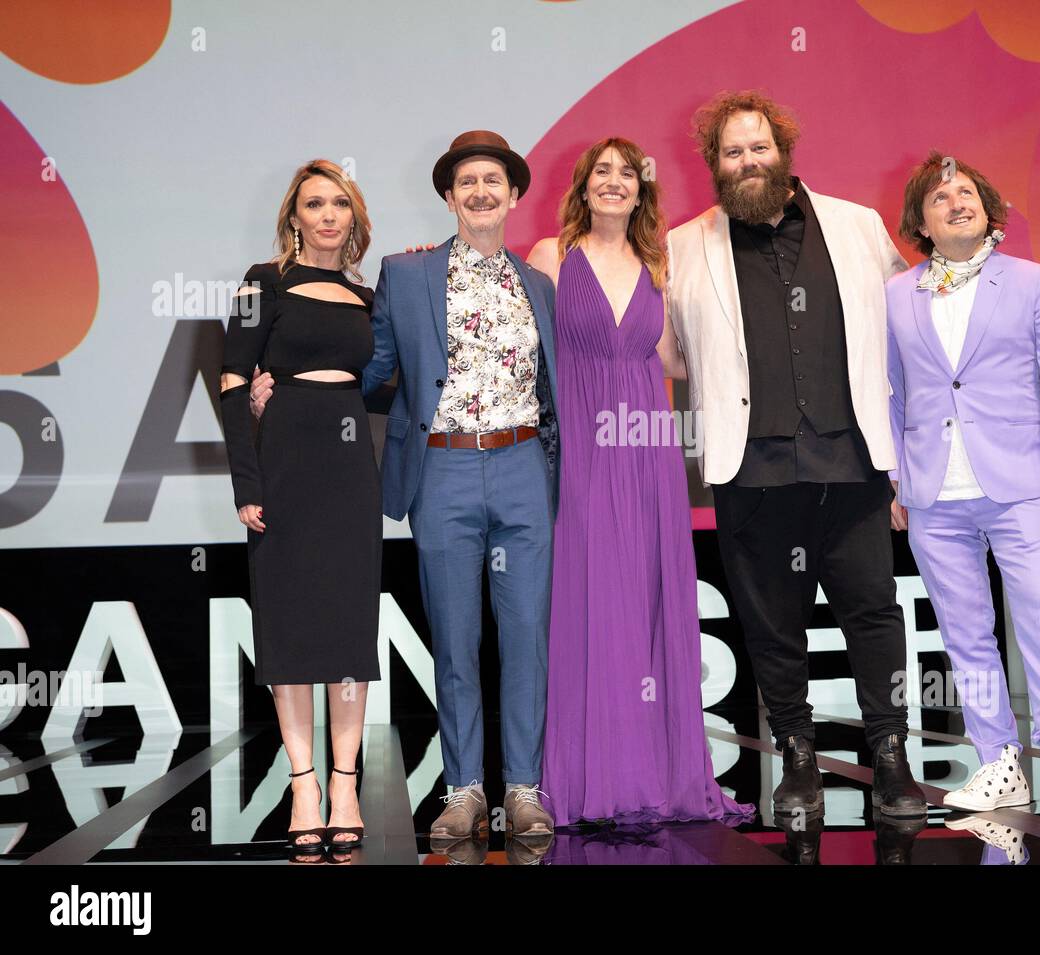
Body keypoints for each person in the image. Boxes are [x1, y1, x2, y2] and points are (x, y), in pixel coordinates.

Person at [255, 131, 560, 841]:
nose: (481, 191)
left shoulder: (539, 286)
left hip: (522, 468)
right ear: (450, 198)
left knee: (525, 637)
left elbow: (554, 391)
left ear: (514, 194)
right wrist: (292, 392)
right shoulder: (407, 274)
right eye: (467, 182)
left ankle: (522, 787)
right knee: (453, 641)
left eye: (494, 180)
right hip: (444, 470)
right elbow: (371, 368)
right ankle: (463, 791)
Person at [666, 90, 926, 818]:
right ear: (714, 165)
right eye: (732, 151)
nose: (748, 161)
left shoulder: (858, 226)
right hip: (752, 471)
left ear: (783, 151)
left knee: (873, 614)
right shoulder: (685, 246)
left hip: (853, 463)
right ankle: (799, 759)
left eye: (759, 147)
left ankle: (892, 756)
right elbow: (670, 354)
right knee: (772, 626)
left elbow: (904, 333)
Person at [526, 137, 755, 826]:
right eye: (603, 171)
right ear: (583, 185)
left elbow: (678, 360)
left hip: (648, 449)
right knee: (592, 601)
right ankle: (589, 778)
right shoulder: (548, 257)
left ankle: (657, 774)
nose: (615, 182)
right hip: (583, 447)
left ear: (641, 191)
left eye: (627, 174)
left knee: (647, 601)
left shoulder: (660, 265)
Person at [885, 151, 1040, 823]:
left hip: (1023, 485)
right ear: (920, 221)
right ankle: (999, 761)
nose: (956, 202)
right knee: (966, 631)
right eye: (939, 196)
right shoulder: (898, 293)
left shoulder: (1031, 281)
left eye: (966, 192)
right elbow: (893, 393)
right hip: (932, 491)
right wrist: (898, 478)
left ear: (987, 206)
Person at [218, 159, 379, 855]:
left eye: (339, 203)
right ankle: (304, 785)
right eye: (314, 203)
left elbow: (380, 387)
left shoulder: (365, 293)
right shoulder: (263, 281)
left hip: (349, 469)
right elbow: (231, 379)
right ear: (294, 217)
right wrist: (246, 481)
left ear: (354, 217)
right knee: (287, 630)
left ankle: (346, 784)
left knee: (347, 632)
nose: (327, 214)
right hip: (284, 462)